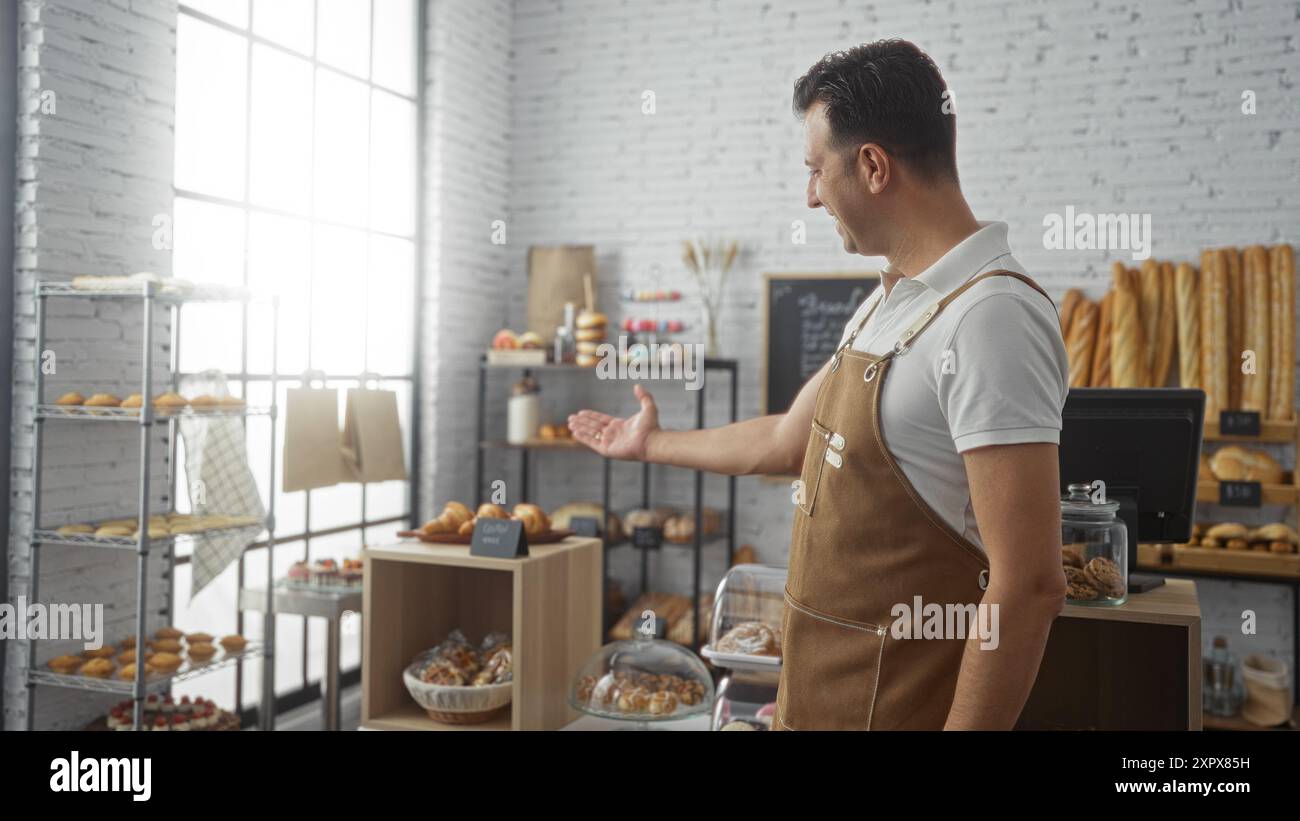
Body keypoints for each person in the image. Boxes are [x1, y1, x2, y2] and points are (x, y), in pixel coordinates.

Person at [567, 39, 1068, 730]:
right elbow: (783, 439)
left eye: (815, 170)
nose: (810, 196)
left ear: (871, 166)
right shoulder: (887, 302)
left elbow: (1030, 586)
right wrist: (653, 444)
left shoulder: (991, 317)